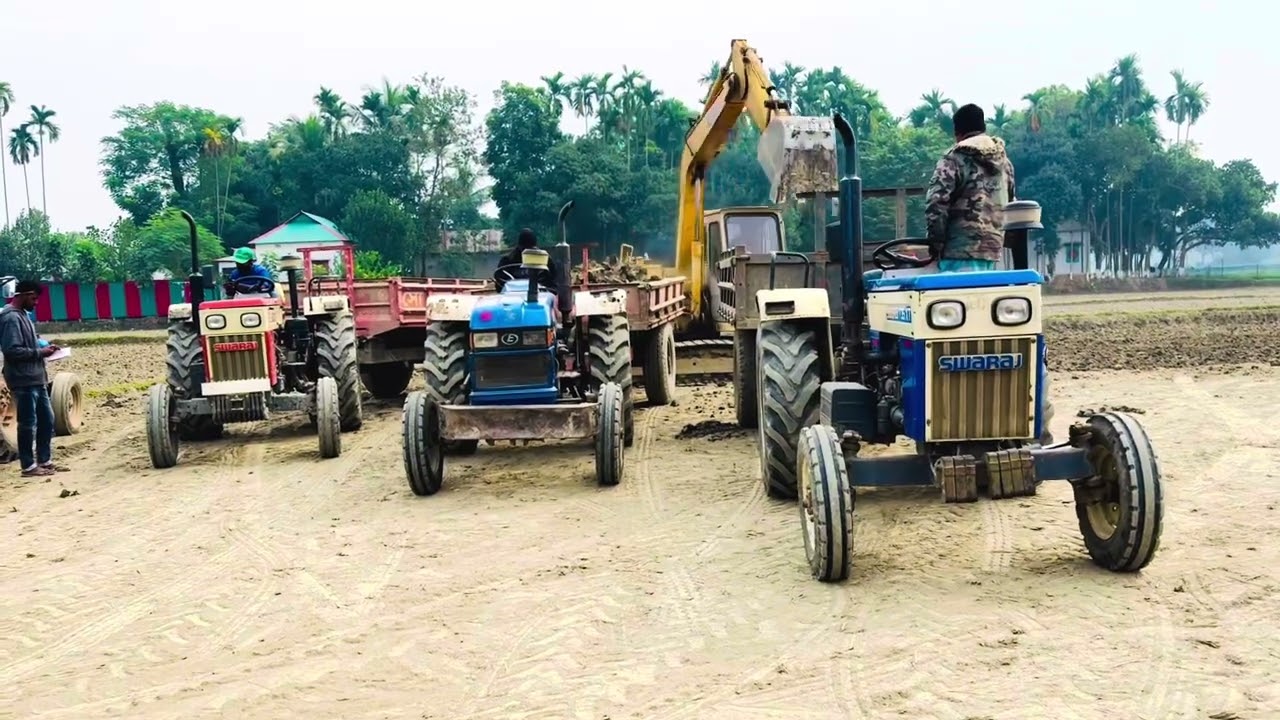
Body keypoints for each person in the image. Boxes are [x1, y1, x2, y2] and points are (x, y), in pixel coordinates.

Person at [924, 103, 1017, 273]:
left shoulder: (954, 159)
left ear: (957, 133)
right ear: (983, 128)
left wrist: (935, 246)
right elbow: (1012, 205)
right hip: (991, 251)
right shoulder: (1005, 164)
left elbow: (936, 204)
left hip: (958, 251)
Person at [0, 280, 63, 477]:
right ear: (23, 295)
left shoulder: (23, 316)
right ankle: (28, 466)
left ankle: (45, 461)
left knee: (47, 419)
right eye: (34, 298)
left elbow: (31, 343)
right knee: (27, 423)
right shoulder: (10, 318)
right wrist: (40, 352)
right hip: (23, 379)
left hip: (36, 377)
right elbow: (12, 351)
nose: (36, 303)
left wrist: (47, 349)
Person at [495, 228, 559, 293]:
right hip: (513, 294)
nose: (527, 252)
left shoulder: (545, 259)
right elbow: (500, 285)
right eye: (525, 249)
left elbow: (554, 282)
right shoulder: (507, 260)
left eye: (530, 249)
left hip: (541, 293)